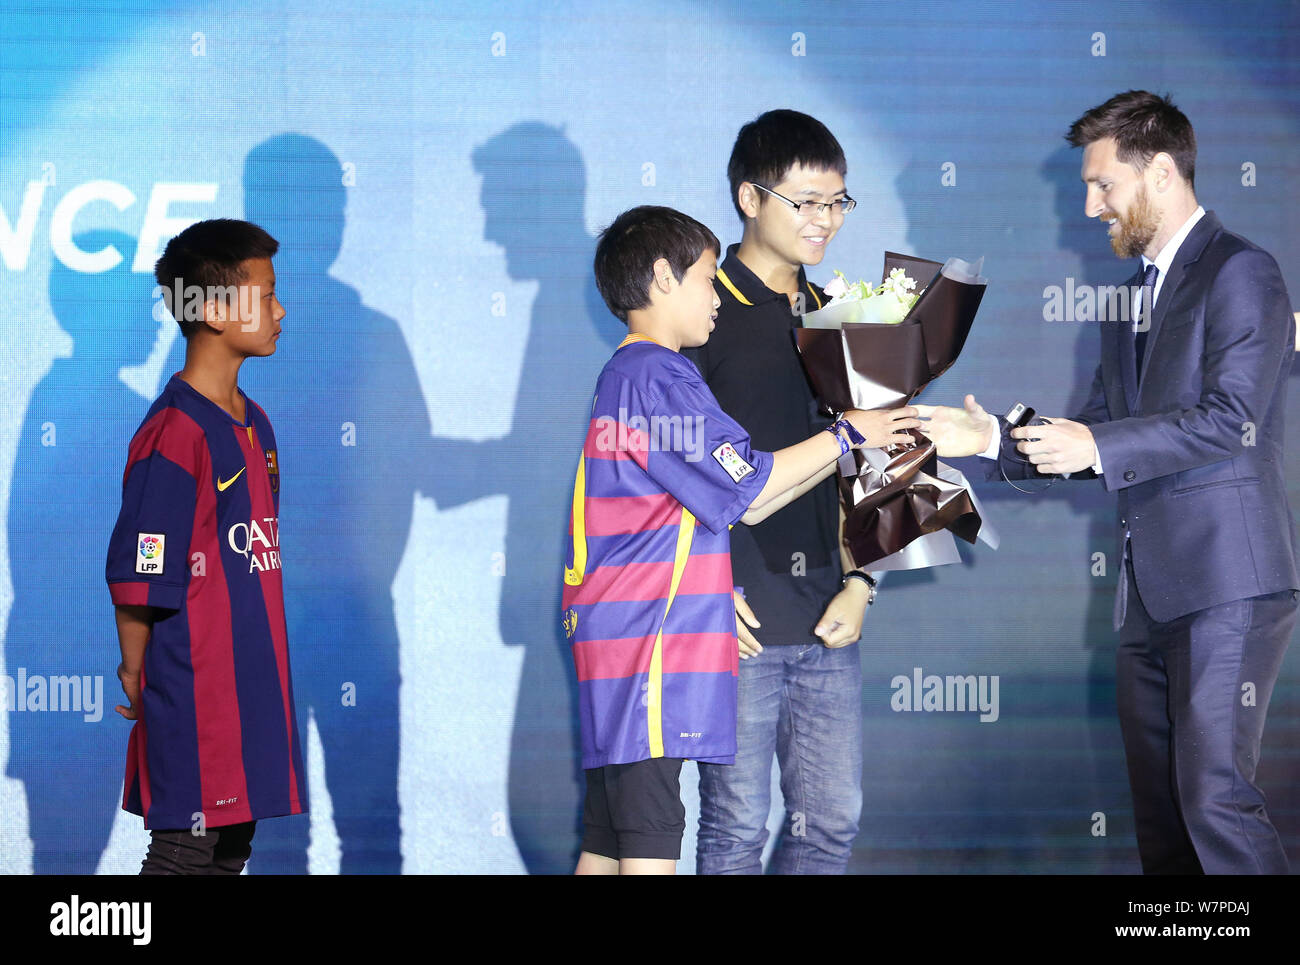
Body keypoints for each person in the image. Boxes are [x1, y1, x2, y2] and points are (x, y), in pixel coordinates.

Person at [917, 91, 1299, 874]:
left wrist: (1093, 441)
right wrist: (986, 437)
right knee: (1163, 821)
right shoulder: (1128, 300)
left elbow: (1229, 418)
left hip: (1227, 583)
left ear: (1161, 172)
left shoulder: (1242, 270)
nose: (1092, 206)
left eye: (1103, 185)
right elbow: (1088, 435)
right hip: (1149, 596)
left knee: (1215, 803)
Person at [566, 205, 917, 874]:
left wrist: (857, 439)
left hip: (622, 646)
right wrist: (847, 433)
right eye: (705, 278)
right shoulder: (659, 376)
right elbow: (752, 486)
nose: (716, 295)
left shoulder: (627, 375)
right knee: (649, 839)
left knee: (609, 838)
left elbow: (746, 503)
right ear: (663, 279)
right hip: (649, 648)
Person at [684, 109, 869, 875]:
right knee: (734, 832)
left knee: (830, 825)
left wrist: (862, 580)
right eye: (805, 202)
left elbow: (874, 461)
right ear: (749, 198)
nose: (824, 221)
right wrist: (702, 589)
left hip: (829, 614)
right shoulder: (699, 314)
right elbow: (665, 468)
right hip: (738, 619)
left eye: (837, 202)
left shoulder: (844, 316)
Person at [106, 218, 306, 874]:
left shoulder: (260, 425)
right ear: (215, 310)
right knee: (184, 851)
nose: (280, 310)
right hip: (195, 696)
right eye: (267, 294)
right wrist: (136, 669)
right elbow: (142, 570)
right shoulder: (173, 432)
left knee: (230, 848)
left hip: (253, 688)